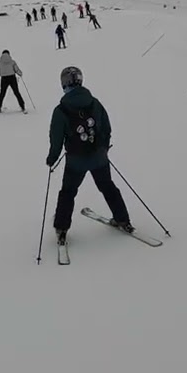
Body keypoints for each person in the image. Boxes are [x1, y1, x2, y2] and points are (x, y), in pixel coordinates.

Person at [47, 66, 131, 244]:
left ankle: (61, 228)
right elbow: (106, 128)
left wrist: (52, 158)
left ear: (64, 84)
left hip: (76, 161)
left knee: (68, 192)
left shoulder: (61, 110)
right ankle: (122, 219)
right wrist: (104, 148)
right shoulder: (94, 103)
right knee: (107, 186)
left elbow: (56, 138)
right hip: (99, 158)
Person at [0, 50, 26, 114]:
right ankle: (22, 106)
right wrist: (20, 73)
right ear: (8, 54)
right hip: (12, 78)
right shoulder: (12, 62)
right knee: (16, 92)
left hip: (4, 79)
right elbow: (16, 69)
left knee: (2, 94)